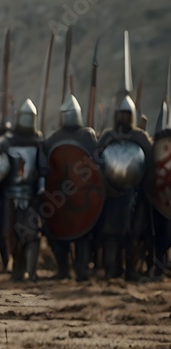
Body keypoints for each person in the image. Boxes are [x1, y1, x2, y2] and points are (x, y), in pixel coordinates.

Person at [95, 95, 153, 280]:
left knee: (133, 234)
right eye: (121, 114)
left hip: (135, 195)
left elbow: (151, 165)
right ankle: (112, 269)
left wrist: (144, 188)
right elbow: (96, 165)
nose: (123, 118)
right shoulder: (107, 137)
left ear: (133, 116)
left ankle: (130, 270)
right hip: (111, 195)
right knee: (111, 234)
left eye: (126, 114)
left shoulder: (140, 137)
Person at [42, 94, 99, 281]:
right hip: (60, 197)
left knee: (82, 233)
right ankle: (65, 269)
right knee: (60, 234)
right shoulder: (54, 140)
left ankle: (79, 269)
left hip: (81, 196)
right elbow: (46, 170)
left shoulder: (86, 135)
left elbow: (97, 166)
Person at [0, 99, 46, 281]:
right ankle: (17, 270)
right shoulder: (6, 142)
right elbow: (0, 170)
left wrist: (41, 191)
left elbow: (42, 171)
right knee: (11, 234)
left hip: (31, 196)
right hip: (10, 196)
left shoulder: (38, 142)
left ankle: (31, 272)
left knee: (31, 234)